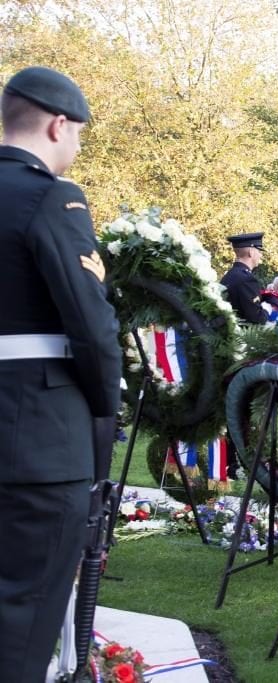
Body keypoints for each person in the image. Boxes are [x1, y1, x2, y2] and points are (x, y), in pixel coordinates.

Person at [0, 66, 122, 681]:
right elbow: (92, 326)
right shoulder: (53, 196)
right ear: (57, 124)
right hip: (38, 443)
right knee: (21, 620)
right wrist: (106, 409)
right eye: (77, 135)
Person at [221, 232, 269, 323]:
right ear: (251, 252)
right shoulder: (247, 279)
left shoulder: (229, 276)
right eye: (259, 251)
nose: (260, 255)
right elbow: (257, 319)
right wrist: (267, 309)